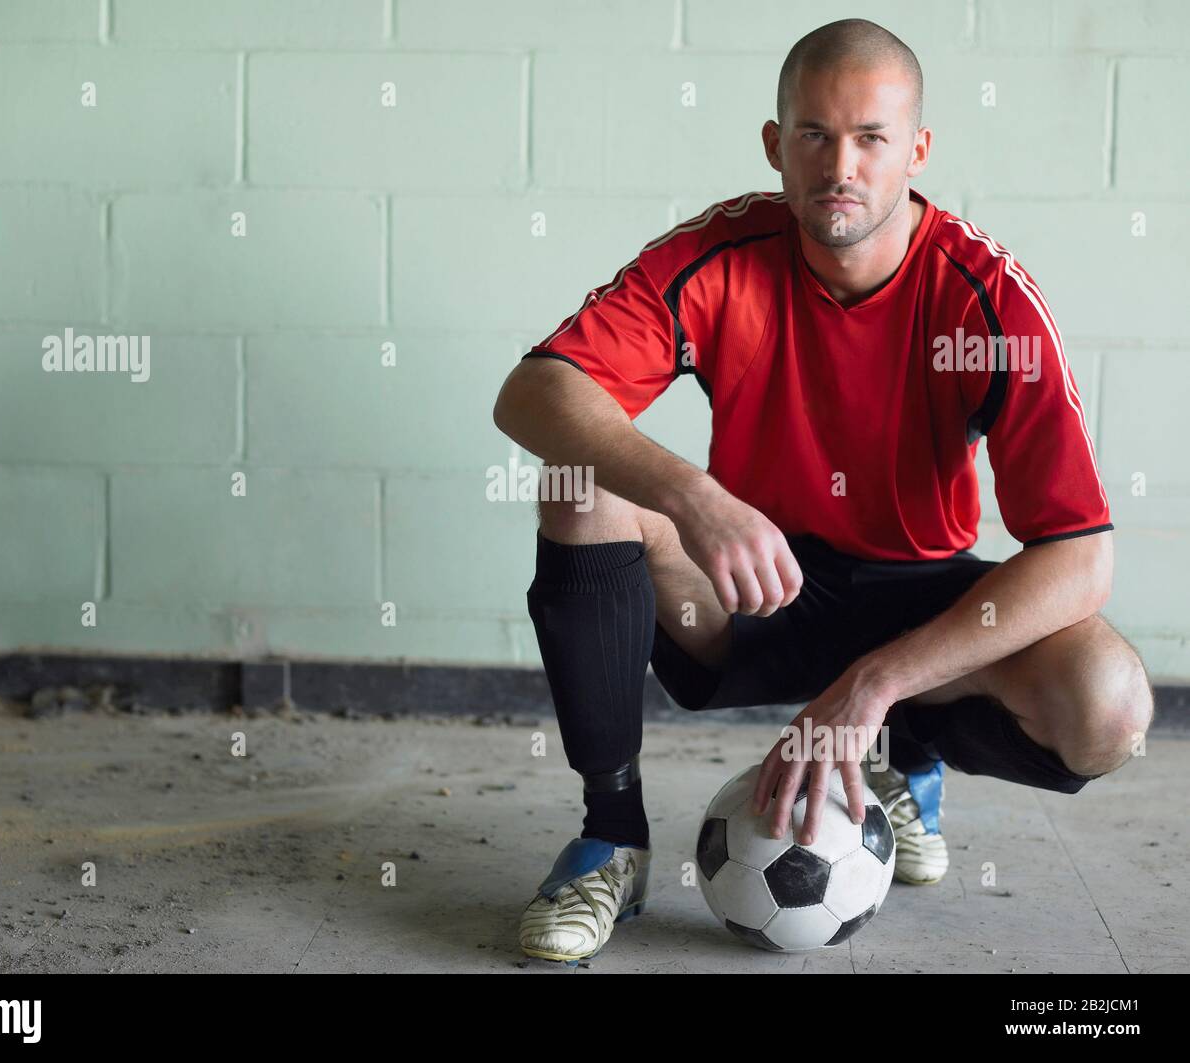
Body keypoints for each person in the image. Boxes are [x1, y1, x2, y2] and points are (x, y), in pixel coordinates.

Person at [493, 18, 1154, 965]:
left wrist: (876, 683)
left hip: (920, 601)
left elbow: (1082, 554)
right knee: (580, 484)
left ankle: (909, 756)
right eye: (813, 134)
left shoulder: (987, 300)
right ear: (776, 144)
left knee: (1112, 702)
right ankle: (611, 839)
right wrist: (693, 494)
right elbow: (535, 390)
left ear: (916, 151)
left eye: (872, 138)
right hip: (758, 587)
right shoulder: (722, 254)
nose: (840, 164)